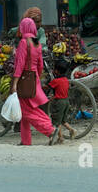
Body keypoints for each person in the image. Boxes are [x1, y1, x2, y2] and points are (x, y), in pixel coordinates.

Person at [12, 16, 56, 146]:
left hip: (24, 80)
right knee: (27, 108)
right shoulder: (36, 42)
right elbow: (40, 65)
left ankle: (50, 130)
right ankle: (26, 140)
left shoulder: (23, 43)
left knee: (26, 111)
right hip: (34, 79)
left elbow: (19, 65)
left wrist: (14, 83)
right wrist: (36, 76)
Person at [47, 58, 73, 145]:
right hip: (66, 101)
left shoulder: (56, 81)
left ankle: (60, 138)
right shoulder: (66, 79)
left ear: (57, 71)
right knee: (62, 121)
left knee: (56, 122)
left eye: (54, 69)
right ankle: (72, 130)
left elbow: (48, 87)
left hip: (59, 103)